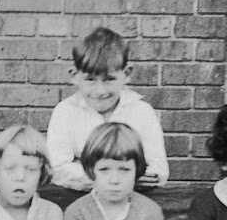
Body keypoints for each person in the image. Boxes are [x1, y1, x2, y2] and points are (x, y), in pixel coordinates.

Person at [46, 25, 168, 190]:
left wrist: (146, 176)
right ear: (74, 76)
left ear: (127, 74)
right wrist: (114, 178)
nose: (100, 91)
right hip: (81, 202)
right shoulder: (65, 112)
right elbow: (58, 167)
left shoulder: (142, 112)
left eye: (109, 79)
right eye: (90, 80)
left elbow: (159, 169)